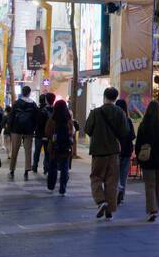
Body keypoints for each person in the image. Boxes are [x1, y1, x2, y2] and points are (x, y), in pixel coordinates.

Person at [84, 87, 130, 220]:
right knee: (112, 180)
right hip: (114, 151)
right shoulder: (120, 112)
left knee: (96, 177)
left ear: (104, 96)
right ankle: (110, 208)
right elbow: (125, 132)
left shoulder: (96, 112)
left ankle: (101, 201)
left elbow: (88, 129)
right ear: (115, 98)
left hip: (98, 152)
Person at [43, 96, 76, 195]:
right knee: (64, 167)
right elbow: (72, 132)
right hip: (66, 148)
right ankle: (62, 188)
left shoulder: (52, 119)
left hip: (54, 147)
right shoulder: (68, 120)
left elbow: (47, 132)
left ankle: (51, 186)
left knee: (52, 166)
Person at [7, 85, 39, 180]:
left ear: (22, 92)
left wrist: (10, 128)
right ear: (29, 93)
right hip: (28, 130)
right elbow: (36, 118)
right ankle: (26, 171)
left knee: (14, 150)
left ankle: (12, 170)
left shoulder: (16, 103)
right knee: (28, 150)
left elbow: (11, 116)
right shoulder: (33, 104)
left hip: (16, 129)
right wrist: (33, 128)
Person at [115, 98, 135, 204]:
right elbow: (132, 136)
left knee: (115, 173)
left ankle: (116, 192)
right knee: (123, 174)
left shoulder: (113, 120)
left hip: (115, 151)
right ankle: (121, 194)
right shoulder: (128, 120)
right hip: (126, 150)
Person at [32, 94, 51, 174]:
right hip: (47, 134)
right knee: (47, 152)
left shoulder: (37, 110)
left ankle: (35, 166)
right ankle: (46, 168)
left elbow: (35, 122)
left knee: (37, 151)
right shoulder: (50, 110)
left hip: (39, 134)